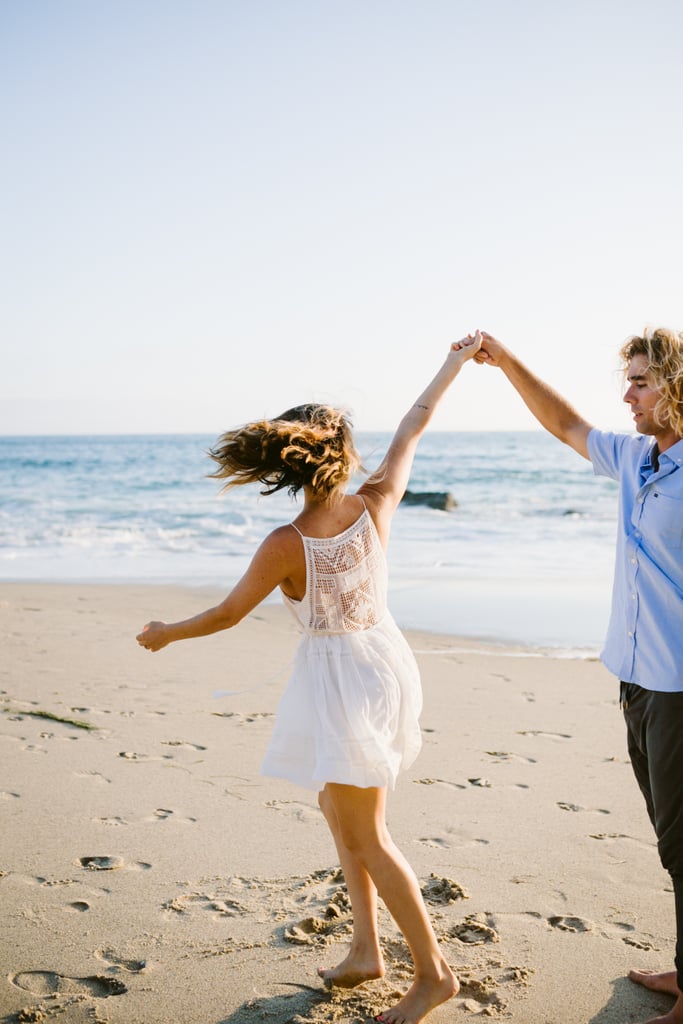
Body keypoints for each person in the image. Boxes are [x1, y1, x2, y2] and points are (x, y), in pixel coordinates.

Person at [136, 331, 483, 1024]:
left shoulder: (286, 544)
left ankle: (433, 974)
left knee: (369, 836)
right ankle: (364, 948)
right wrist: (452, 362)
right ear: (344, 453)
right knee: (339, 810)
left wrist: (164, 634)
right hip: (383, 664)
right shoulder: (378, 499)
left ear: (288, 466)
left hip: (342, 679)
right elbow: (416, 419)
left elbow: (228, 614)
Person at [475, 327, 683, 1024]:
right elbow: (564, 423)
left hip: (680, 686)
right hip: (634, 676)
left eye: (641, 382)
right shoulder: (634, 458)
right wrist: (505, 361)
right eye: (627, 380)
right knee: (669, 833)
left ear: (676, 386)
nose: (626, 394)